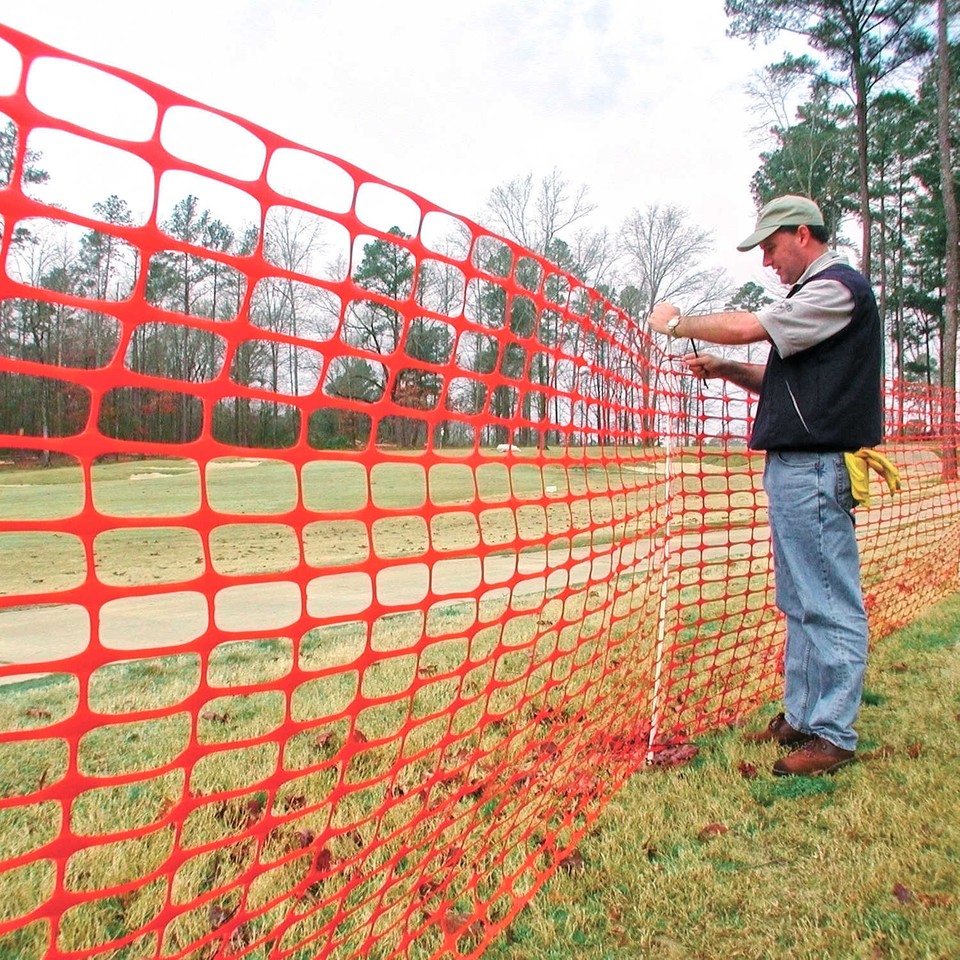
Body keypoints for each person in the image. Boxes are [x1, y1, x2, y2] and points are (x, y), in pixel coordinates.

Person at [647, 195, 882, 777]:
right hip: (797, 467)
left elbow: (749, 327)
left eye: (771, 248)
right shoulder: (810, 301)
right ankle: (802, 716)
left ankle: (832, 733)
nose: (767, 262)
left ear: (802, 235)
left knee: (828, 602)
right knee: (801, 600)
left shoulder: (836, 289)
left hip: (818, 468)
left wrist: (676, 325)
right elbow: (782, 382)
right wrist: (725, 369)